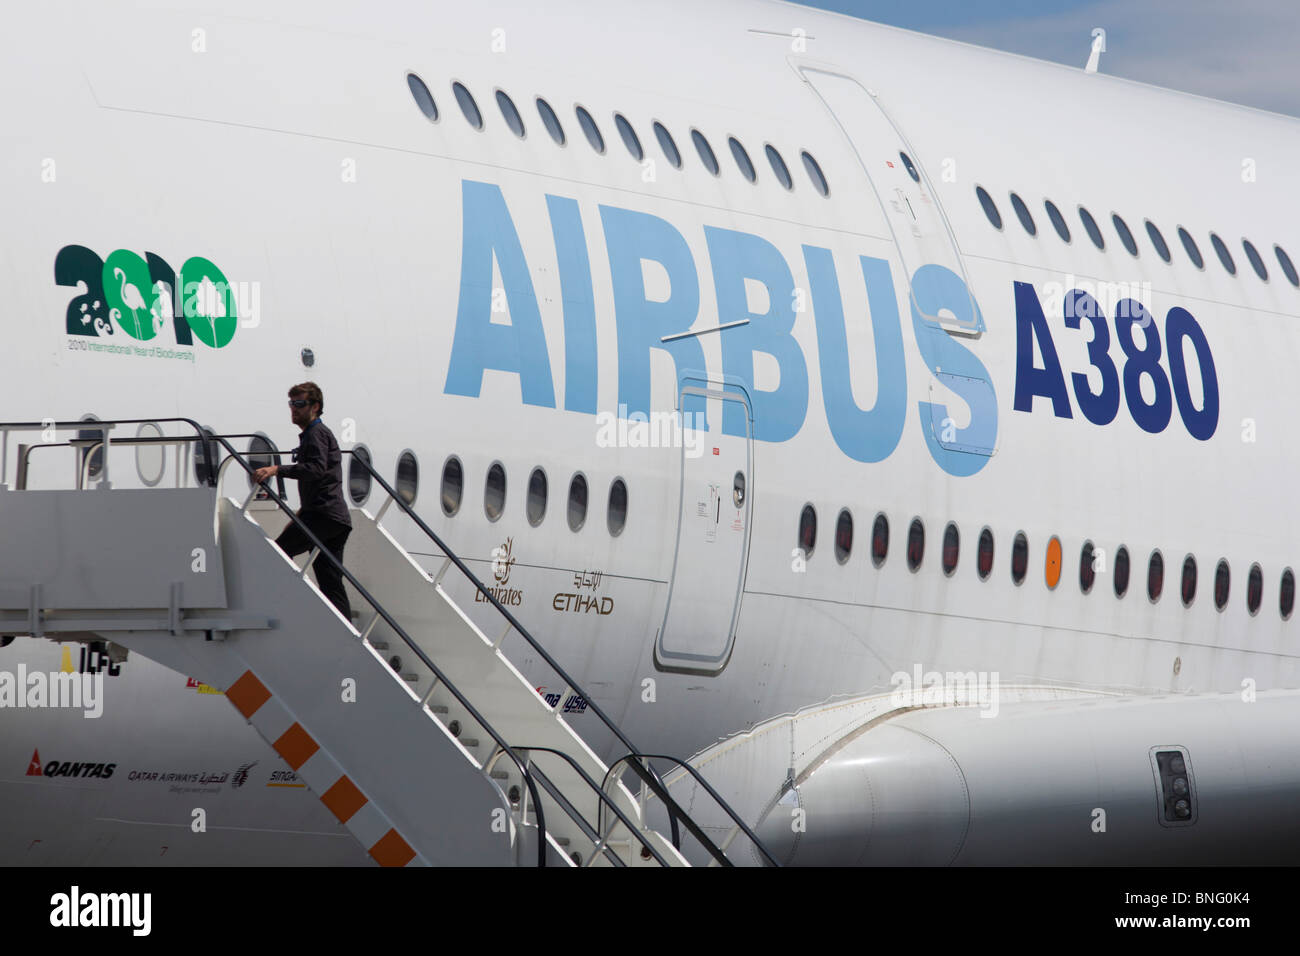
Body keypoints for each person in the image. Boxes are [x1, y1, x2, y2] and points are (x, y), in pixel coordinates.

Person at [252, 383, 353, 620]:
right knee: (330, 581)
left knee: (279, 554)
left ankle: (282, 611)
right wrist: (300, 516)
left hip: (322, 515)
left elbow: (316, 470)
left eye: (300, 404)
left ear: (315, 407)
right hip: (334, 518)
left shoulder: (316, 433)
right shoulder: (317, 433)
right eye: (291, 404)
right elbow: (322, 478)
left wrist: (277, 469)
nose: (294, 409)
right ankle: (347, 632)